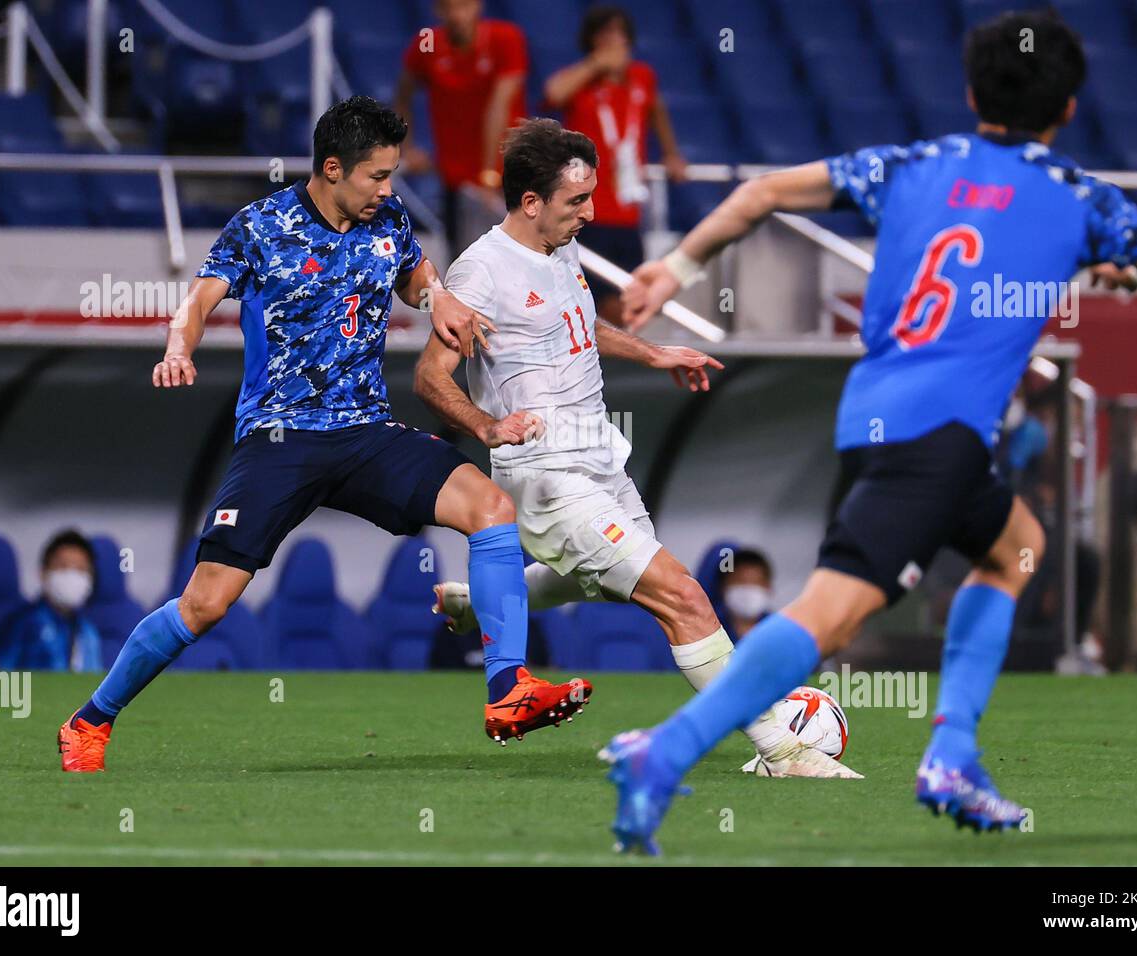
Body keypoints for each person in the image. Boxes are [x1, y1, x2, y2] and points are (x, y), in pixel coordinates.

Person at [602, 10, 1137, 854]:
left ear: (971, 94)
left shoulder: (913, 162)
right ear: (1069, 108)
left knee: (1015, 548)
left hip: (882, 416)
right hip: (937, 435)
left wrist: (675, 266)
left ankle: (954, 757)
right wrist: (1113, 255)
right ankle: (662, 751)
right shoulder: (1082, 197)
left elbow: (760, 194)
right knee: (835, 616)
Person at [57, 96, 591, 773]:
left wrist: (441, 299)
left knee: (491, 509)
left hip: (365, 431)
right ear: (332, 169)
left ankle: (507, 688)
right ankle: (90, 720)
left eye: (393, 174)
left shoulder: (388, 219)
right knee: (206, 602)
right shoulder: (261, 226)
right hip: (281, 439)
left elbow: (416, 277)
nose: (389, 189)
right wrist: (177, 348)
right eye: (376, 176)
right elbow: (198, 301)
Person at [415, 118, 858, 780]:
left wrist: (653, 352)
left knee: (597, 584)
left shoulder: (557, 249)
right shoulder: (480, 270)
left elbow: (578, 325)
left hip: (599, 457)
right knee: (680, 593)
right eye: (575, 202)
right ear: (530, 202)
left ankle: (476, 601)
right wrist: (485, 427)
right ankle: (781, 747)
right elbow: (429, 377)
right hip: (545, 471)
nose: (591, 214)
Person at [543, 5, 688, 321]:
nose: (614, 41)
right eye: (605, 34)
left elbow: (657, 112)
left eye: (619, 34)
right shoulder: (581, 81)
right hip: (585, 209)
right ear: (592, 40)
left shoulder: (642, 77)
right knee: (587, 300)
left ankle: (613, 361)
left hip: (626, 212)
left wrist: (671, 153)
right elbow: (553, 92)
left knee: (626, 300)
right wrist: (596, 64)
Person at [395, 0, 528, 254]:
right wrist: (407, 146)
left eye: (464, 6)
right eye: (449, 7)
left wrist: (489, 175)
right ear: (438, 10)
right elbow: (402, 96)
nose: (457, 15)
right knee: (463, 264)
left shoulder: (506, 37)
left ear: (478, 5)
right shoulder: (427, 41)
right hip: (456, 180)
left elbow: (498, 108)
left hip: (510, 174)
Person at [0, 529, 102, 672]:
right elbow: (4, 676)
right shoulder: (22, 624)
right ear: (43, 572)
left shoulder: (88, 632)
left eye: (81, 569)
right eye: (63, 567)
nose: (71, 576)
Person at [718, 548, 775, 640]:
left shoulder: (780, 632)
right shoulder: (709, 631)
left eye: (755, 582)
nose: (747, 589)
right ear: (723, 586)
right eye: (739, 581)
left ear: (769, 588)